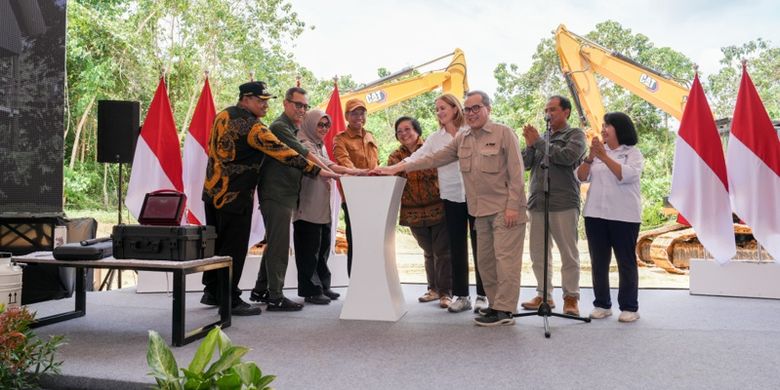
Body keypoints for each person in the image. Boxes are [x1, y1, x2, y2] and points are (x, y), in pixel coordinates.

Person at [373, 91, 527, 327]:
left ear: (488, 109)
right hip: (479, 211)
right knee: (485, 262)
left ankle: (505, 310)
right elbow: (432, 158)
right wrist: (396, 168)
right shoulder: (463, 138)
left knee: (505, 261)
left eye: (476, 108)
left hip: (504, 209)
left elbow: (517, 174)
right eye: (468, 109)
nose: (472, 113)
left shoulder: (503, 133)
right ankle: (495, 306)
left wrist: (513, 207)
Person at [201, 81, 332, 316]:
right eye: (260, 101)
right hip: (234, 196)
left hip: (211, 192)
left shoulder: (223, 115)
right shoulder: (254, 127)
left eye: (267, 101)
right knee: (233, 250)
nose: (265, 106)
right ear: (246, 99)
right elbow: (283, 153)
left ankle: (212, 291)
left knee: (216, 246)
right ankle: (230, 298)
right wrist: (316, 170)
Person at [249, 87, 338, 312]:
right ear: (286, 104)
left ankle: (261, 289)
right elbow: (301, 153)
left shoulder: (290, 127)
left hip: (285, 194)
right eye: (298, 105)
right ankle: (276, 297)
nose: (302, 110)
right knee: (279, 247)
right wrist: (328, 172)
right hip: (276, 193)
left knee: (275, 243)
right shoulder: (280, 127)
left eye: (305, 106)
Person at [396, 93, 486, 313]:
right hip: (452, 196)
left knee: (481, 246)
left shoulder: (471, 132)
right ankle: (462, 295)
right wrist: (393, 168)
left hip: (476, 195)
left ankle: (483, 295)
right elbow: (419, 156)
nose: (439, 112)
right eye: (436, 109)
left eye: (443, 107)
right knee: (456, 247)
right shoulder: (436, 138)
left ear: (455, 109)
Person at [520, 95, 587, 316]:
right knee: (538, 253)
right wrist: (530, 145)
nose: (548, 114)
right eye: (546, 110)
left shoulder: (575, 134)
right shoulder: (542, 137)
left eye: (553, 110)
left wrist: (538, 141)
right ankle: (544, 295)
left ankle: (571, 298)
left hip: (563, 202)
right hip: (538, 202)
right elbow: (525, 165)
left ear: (566, 112)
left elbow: (567, 157)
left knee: (568, 253)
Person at [293, 109, 367, 304]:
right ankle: (311, 290)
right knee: (308, 250)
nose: (324, 129)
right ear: (309, 123)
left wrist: (354, 172)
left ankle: (323, 286)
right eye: (320, 124)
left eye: (327, 125)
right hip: (307, 206)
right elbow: (326, 166)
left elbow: (329, 164)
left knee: (322, 247)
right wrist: (353, 172)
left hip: (322, 206)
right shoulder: (302, 142)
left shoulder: (319, 144)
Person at [576, 112, 643, 322]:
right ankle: (602, 304)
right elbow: (580, 176)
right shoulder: (596, 153)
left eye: (608, 126)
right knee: (599, 261)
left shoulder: (633, 153)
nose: (603, 129)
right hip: (595, 214)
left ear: (620, 129)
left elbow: (626, 175)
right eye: (603, 125)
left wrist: (603, 156)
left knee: (626, 261)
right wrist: (590, 156)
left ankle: (629, 307)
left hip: (624, 216)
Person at [387, 116, 452, 309]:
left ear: (417, 130)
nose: (404, 134)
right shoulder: (395, 157)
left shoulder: (432, 149)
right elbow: (392, 177)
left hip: (438, 208)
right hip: (413, 212)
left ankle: (446, 293)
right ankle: (433, 289)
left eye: (407, 129)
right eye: (399, 131)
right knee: (428, 252)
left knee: (443, 252)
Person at [332, 98, 379, 276]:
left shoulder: (371, 136)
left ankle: (372, 277)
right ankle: (356, 282)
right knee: (356, 240)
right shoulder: (340, 139)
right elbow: (345, 164)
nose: (359, 116)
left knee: (372, 240)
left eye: (362, 112)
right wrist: (366, 174)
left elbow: (377, 164)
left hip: (375, 195)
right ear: (346, 116)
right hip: (354, 197)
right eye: (354, 113)